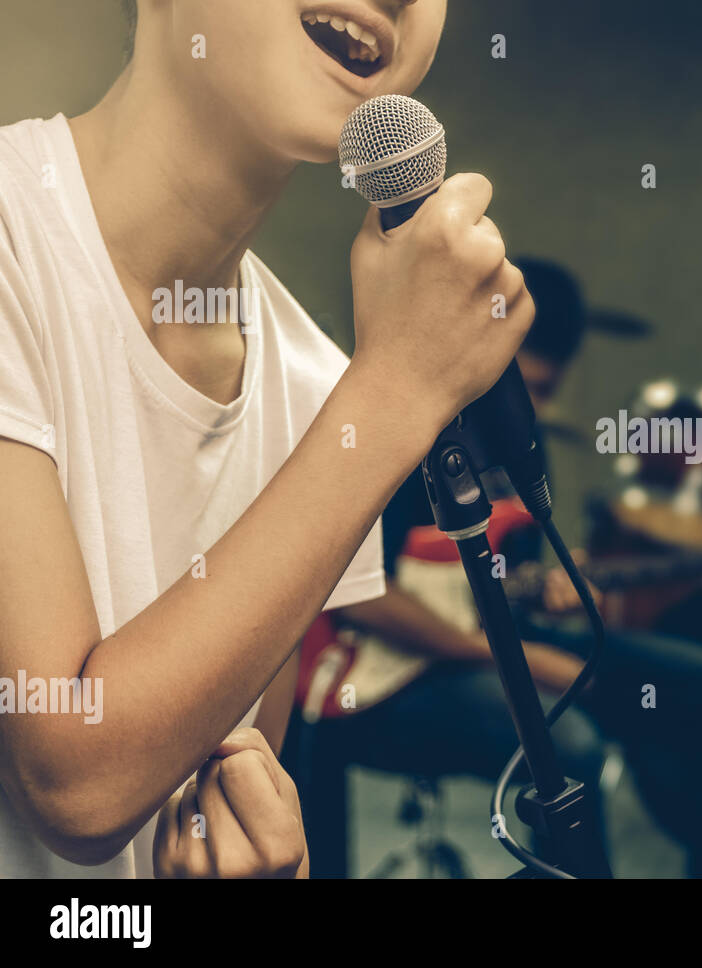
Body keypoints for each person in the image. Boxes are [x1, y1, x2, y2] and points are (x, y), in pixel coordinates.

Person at [0, 0, 533, 877]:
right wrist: (399, 390)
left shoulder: (320, 388)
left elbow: (227, 785)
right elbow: (77, 781)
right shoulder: (363, 406)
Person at [288, 258, 702, 877]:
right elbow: (356, 597)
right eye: (526, 385)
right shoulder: (391, 436)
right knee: (567, 747)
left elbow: (505, 586)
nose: (533, 404)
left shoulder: (519, 442)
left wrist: (549, 591)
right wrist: (515, 660)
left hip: (490, 637)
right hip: (379, 677)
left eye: (545, 389)